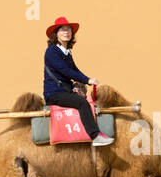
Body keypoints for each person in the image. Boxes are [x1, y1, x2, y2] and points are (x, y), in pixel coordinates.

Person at [43, 17, 114, 146]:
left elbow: (75, 70)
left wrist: (88, 80)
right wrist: (87, 80)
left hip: (65, 92)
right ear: (56, 34)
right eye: (62, 30)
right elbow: (65, 71)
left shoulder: (67, 53)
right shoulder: (52, 51)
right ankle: (95, 135)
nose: (66, 32)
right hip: (54, 93)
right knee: (82, 103)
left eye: (69, 30)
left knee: (87, 101)